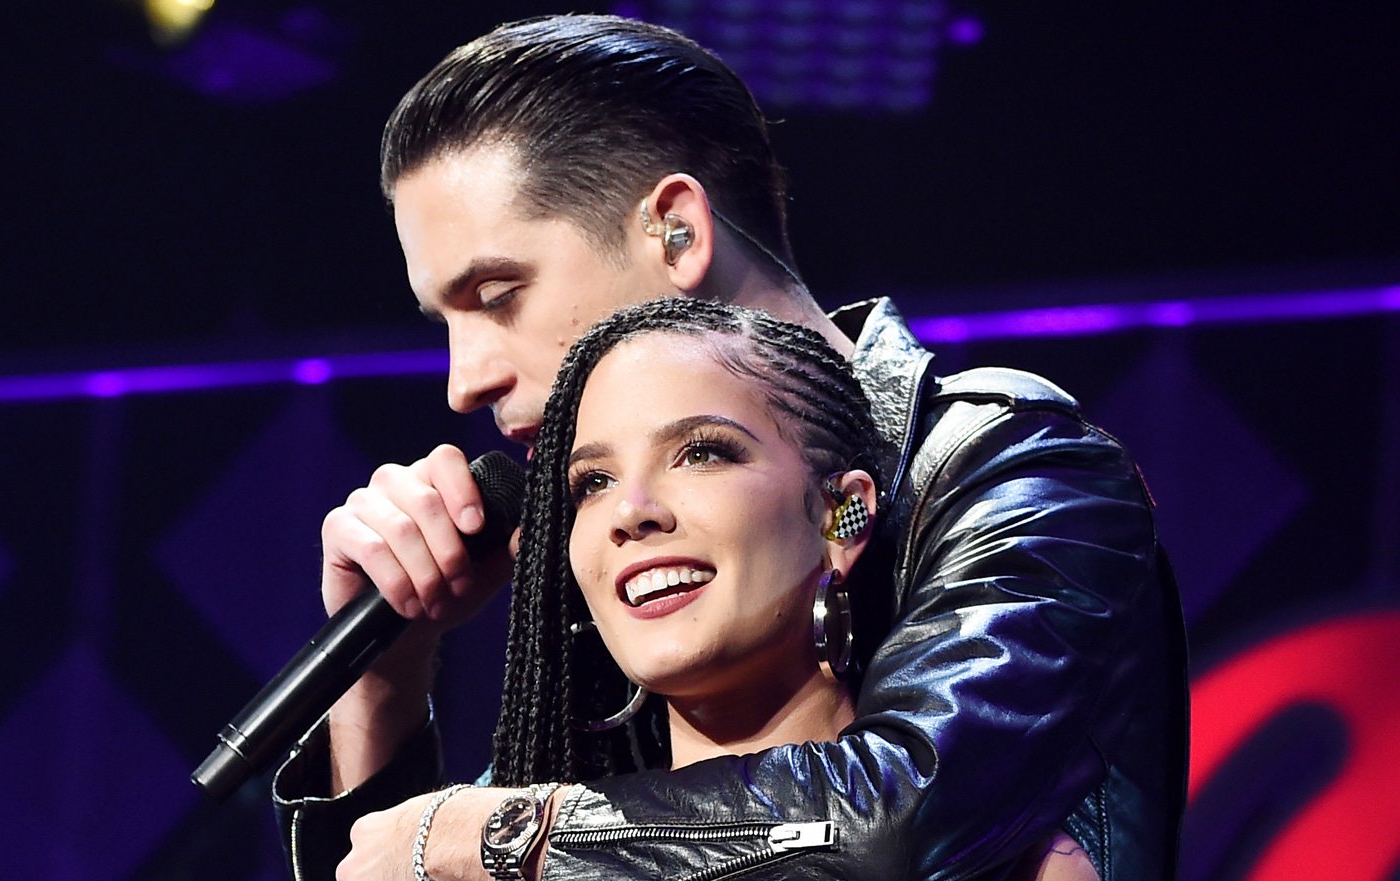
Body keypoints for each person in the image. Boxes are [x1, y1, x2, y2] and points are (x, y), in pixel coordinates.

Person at [272, 13, 1186, 881]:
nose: (461, 381)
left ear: (677, 230)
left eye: (500, 293)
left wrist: (510, 836)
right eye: (593, 482)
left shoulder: (1009, 464)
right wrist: (384, 679)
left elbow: (904, 815)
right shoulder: (629, 542)